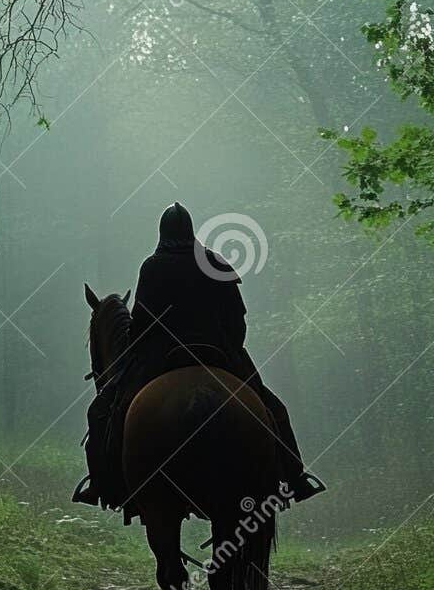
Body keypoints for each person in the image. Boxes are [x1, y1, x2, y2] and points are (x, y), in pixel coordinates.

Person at [75, 202, 324, 515]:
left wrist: (138, 351)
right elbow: (237, 317)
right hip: (218, 354)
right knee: (272, 407)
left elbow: (141, 322)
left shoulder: (153, 266)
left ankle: (102, 483)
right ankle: (295, 477)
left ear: (162, 232)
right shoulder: (216, 262)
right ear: (191, 230)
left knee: (103, 410)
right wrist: (232, 347)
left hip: (161, 358)